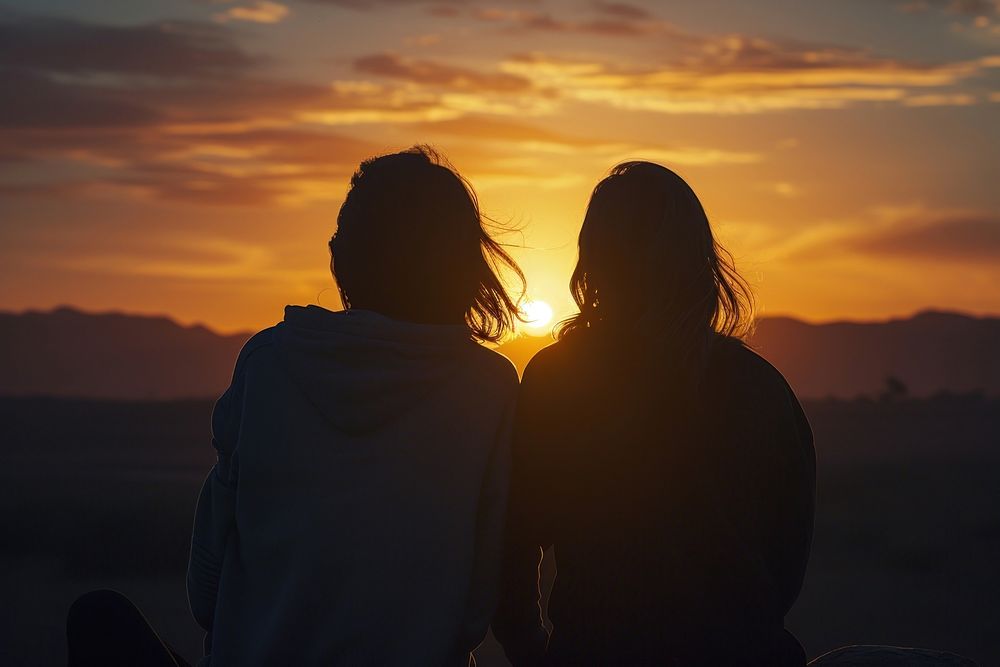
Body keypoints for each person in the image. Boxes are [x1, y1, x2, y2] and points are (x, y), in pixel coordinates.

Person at [67, 146, 524, 666]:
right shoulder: (490, 388)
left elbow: (204, 594)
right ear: (462, 262)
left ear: (346, 258)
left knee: (97, 617)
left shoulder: (267, 364)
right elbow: (473, 610)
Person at [492, 161, 816, 666]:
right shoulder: (759, 386)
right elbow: (786, 558)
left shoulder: (558, 379)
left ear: (593, 257)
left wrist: (529, 645)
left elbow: (514, 542)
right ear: (698, 259)